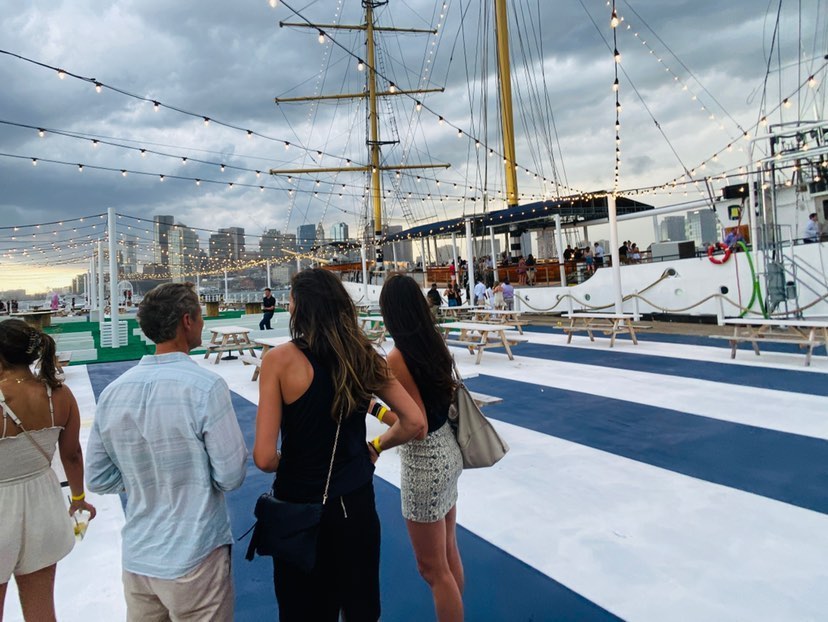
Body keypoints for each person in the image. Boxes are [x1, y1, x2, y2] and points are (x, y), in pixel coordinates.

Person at [253, 268, 425, 622]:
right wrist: (375, 446)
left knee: (303, 609)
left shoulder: (279, 361)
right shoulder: (363, 357)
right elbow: (414, 422)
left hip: (299, 505)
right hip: (354, 502)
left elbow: (265, 458)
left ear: (300, 307)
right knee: (360, 606)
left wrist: (295, 460)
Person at [86, 282, 247, 621]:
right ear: (186, 321)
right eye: (200, 317)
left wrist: (146, 475)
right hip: (196, 554)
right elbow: (230, 476)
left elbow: (99, 478)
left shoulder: (114, 393)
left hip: (138, 558)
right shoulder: (205, 387)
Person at [377, 274, 464, 621]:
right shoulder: (434, 344)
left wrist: (376, 444)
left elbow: (415, 426)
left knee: (432, 570)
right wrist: (380, 411)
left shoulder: (397, 358)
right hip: (448, 450)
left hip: (425, 463)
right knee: (448, 553)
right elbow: (423, 413)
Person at [1, 319, 97, 621]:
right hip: (44, 506)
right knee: (41, 610)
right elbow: (72, 455)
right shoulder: (60, 395)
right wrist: (79, 497)